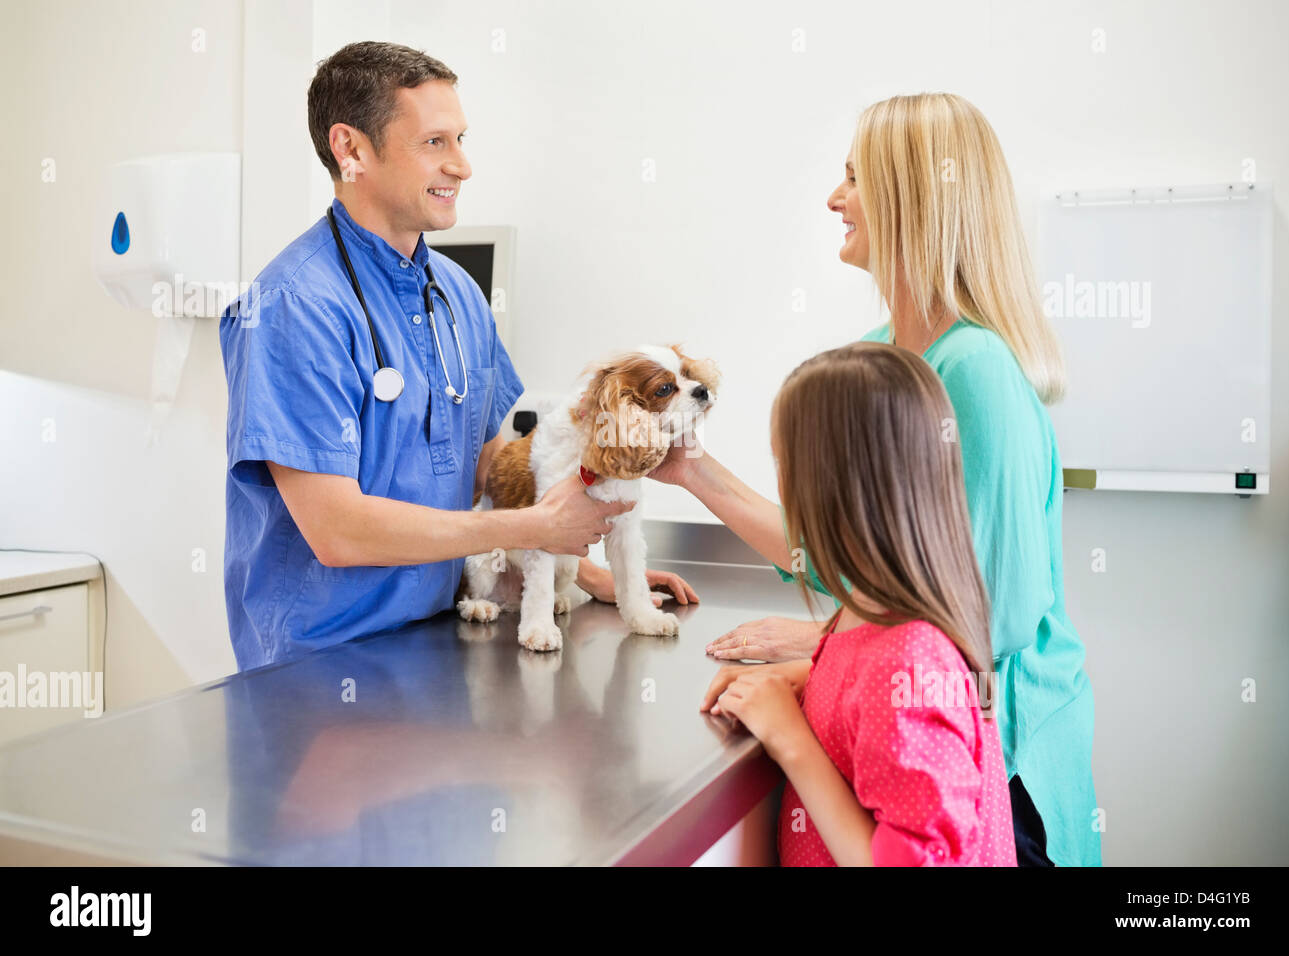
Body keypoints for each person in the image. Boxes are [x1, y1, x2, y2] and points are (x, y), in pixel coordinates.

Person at [657, 93, 1100, 866]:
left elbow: (987, 615)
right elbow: (836, 551)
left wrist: (830, 659)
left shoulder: (979, 374)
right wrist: (690, 469)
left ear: (914, 197)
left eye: (855, 179)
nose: (835, 199)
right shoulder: (884, 350)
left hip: (1002, 759)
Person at [219, 42, 695, 671]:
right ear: (351, 149)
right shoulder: (292, 306)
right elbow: (336, 530)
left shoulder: (459, 295)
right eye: (435, 143)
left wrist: (583, 569)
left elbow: (487, 467)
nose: (463, 166)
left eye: (461, 139)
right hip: (317, 663)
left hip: (438, 640)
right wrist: (531, 531)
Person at [701, 343, 1015, 866]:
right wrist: (797, 679)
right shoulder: (869, 614)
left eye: (784, 463)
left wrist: (789, 737)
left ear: (831, 486)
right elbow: (861, 687)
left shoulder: (911, 660)